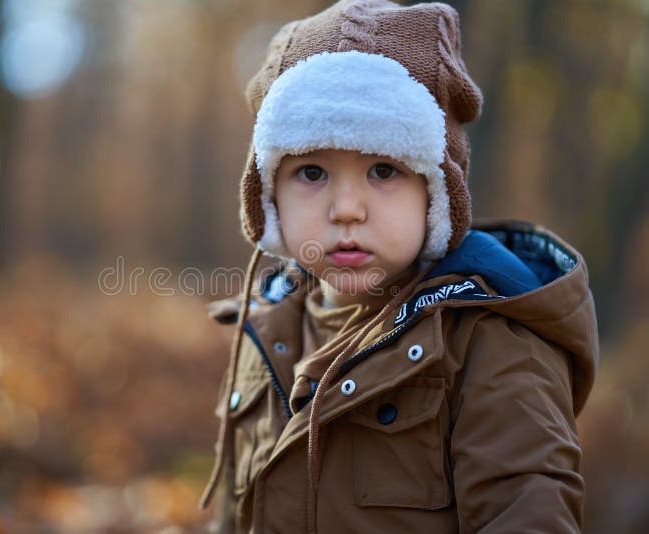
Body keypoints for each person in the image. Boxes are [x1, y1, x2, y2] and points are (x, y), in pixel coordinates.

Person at [199, 1, 599, 532]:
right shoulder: (265, 328)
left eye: (383, 170)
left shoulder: (490, 340)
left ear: (437, 193)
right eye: (312, 172)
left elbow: (526, 512)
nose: (346, 208)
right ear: (269, 196)